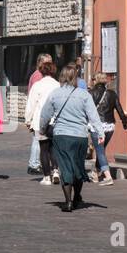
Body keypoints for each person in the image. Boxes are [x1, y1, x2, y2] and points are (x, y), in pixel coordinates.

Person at [37, 62, 105, 212]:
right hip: (80, 136)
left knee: (65, 168)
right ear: (76, 78)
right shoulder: (84, 94)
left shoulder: (55, 94)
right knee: (78, 167)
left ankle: (68, 201)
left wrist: (42, 129)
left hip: (61, 136)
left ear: (62, 77)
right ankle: (77, 196)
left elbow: (45, 114)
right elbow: (94, 116)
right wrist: (100, 133)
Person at [24, 60, 59, 186]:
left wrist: (28, 119)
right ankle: (55, 171)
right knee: (54, 148)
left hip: (40, 121)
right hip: (55, 121)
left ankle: (46, 177)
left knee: (43, 149)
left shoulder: (37, 86)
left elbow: (31, 104)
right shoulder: (58, 85)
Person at [89, 72, 127, 186]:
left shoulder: (91, 93)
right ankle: (95, 173)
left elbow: (86, 110)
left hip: (96, 126)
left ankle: (107, 176)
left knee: (100, 151)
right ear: (105, 81)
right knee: (101, 149)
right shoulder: (112, 94)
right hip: (110, 126)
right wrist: (125, 124)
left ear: (95, 80)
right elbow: (119, 109)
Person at [26, 53, 52, 174]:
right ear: (40, 63)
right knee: (38, 140)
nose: (50, 64)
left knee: (39, 140)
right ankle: (34, 164)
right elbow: (34, 98)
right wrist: (29, 118)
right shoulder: (38, 76)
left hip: (42, 114)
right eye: (48, 62)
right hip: (40, 113)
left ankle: (36, 162)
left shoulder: (40, 75)